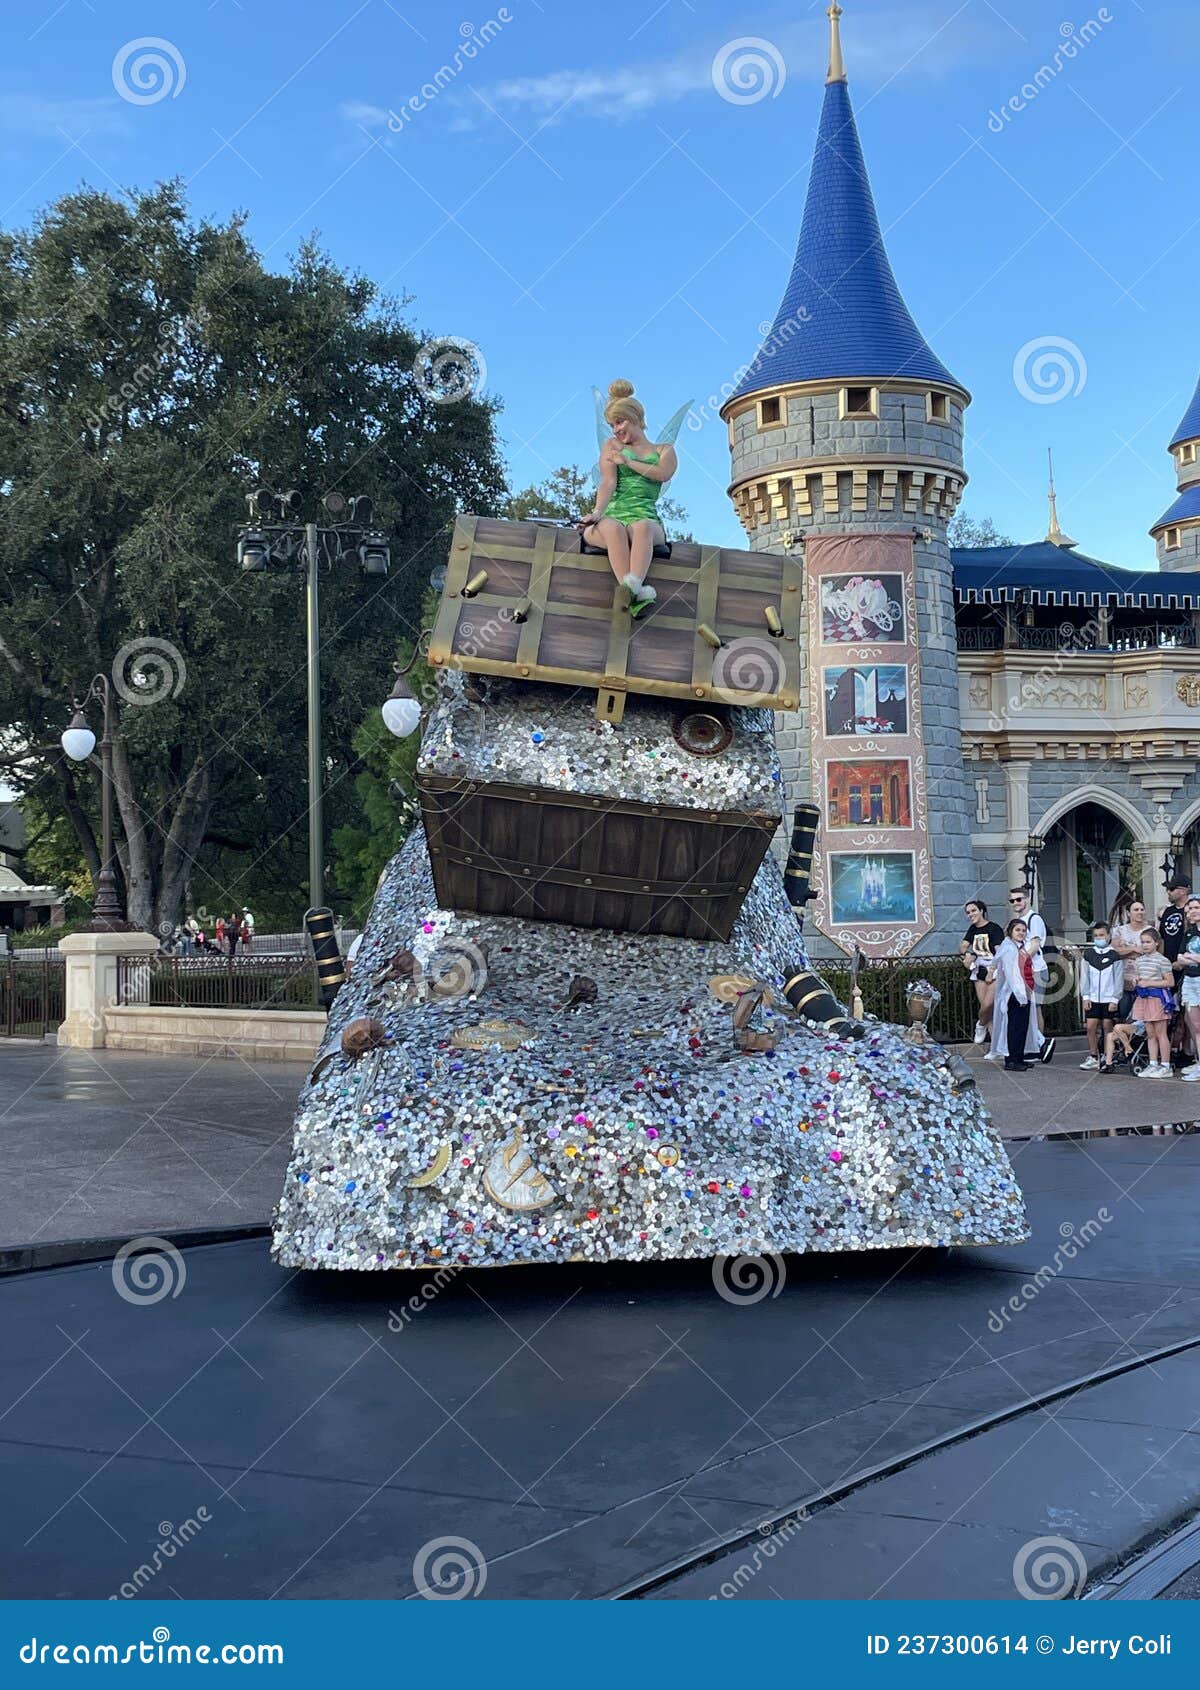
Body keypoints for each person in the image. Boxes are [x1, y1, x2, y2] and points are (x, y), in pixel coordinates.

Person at [578, 380, 678, 619]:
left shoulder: (664, 451)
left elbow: (662, 474)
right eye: (612, 425)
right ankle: (633, 596)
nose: (615, 430)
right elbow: (608, 482)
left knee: (641, 527)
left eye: (619, 422)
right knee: (613, 528)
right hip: (613, 516)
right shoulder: (611, 446)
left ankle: (630, 590)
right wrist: (597, 513)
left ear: (635, 418)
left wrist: (629, 462)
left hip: (646, 518)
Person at [1005, 884, 1056, 1063]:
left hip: (1034, 969)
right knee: (1030, 1011)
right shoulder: (1021, 920)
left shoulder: (1034, 919)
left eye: (1019, 899)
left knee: (1035, 1009)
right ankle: (1036, 1046)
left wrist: (1019, 960)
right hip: (1025, 970)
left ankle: (1041, 1046)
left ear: (1027, 899)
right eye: (1012, 900)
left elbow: (1034, 945)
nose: (1015, 903)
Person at [1132, 928, 1177, 1079]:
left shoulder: (1162, 960)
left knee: (1161, 1033)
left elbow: (1170, 982)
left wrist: (1149, 982)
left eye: (1148, 942)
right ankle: (1153, 1064)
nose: (1145, 945)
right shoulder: (1139, 960)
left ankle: (1165, 1065)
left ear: (1156, 943)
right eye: (1142, 942)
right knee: (1150, 1034)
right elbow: (1139, 976)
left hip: (1158, 999)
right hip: (1144, 998)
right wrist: (1136, 980)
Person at [1077, 921, 1123, 1070]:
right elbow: (1084, 977)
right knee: (1091, 1026)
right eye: (1096, 936)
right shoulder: (1088, 954)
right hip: (1093, 998)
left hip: (1109, 998)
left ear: (1108, 936)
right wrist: (1086, 997)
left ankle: (1106, 1054)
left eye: (1102, 935)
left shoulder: (1114, 956)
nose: (1099, 938)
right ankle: (1093, 1055)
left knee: (1107, 1025)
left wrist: (1115, 999)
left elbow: (1118, 978)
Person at [960, 898, 1004, 1045]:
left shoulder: (994, 928)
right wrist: (968, 954)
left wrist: (993, 970)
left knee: (988, 1004)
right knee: (986, 1009)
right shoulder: (972, 929)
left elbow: (999, 951)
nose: (970, 914)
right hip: (979, 969)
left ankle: (980, 1025)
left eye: (973, 911)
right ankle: (994, 1047)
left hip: (994, 968)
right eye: (968, 912)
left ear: (981, 911)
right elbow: (963, 946)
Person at [994, 918, 1036, 1071]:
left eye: (1024, 930)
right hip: (1014, 993)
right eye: (1018, 930)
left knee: (1022, 1026)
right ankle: (1011, 1060)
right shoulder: (1009, 949)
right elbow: (1012, 974)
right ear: (1011, 931)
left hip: (1025, 990)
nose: (1021, 933)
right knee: (1014, 1027)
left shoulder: (1021, 947)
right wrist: (1020, 995)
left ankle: (1019, 1057)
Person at [1172, 894, 1200, 1081]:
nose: (1192, 911)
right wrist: (1190, 958)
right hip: (1190, 981)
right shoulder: (1189, 933)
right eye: (1189, 909)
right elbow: (1179, 958)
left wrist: (1189, 958)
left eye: (1196, 907)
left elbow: (1187, 957)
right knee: (1195, 1026)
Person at [1111, 898, 1150, 1022]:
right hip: (1123, 981)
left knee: (1143, 1017)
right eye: (1136, 909)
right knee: (1124, 1013)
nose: (1139, 912)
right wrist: (1134, 948)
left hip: (1145, 980)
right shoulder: (1120, 930)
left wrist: (1125, 950)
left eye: (1142, 909)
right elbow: (1115, 951)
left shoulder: (1150, 930)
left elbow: (1153, 953)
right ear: (1129, 913)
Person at [1158, 875, 1191, 965]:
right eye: (1167, 889)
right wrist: (1161, 961)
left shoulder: (1194, 910)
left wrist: (1183, 962)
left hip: (1189, 964)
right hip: (1168, 964)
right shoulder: (1167, 911)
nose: (1168, 892)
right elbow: (1162, 938)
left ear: (1183, 891)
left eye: (1172, 889)